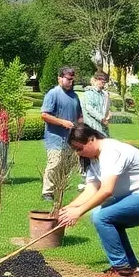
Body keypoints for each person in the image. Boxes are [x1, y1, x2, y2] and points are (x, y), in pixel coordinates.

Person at [57, 123, 139, 277]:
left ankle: (122, 271)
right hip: (137, 196)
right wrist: (69, 208)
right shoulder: (94, 159)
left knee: (101, 217)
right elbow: (92, 189)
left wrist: (79, 212)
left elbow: (106, 190)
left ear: (91, 140)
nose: (78, 153)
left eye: (79, 148)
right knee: (103, 215)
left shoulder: (112, 152)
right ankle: (131, 268)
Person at [40, 67, 83, 202]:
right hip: (55, 138)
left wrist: (81, 127)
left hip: (71, 139)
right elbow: (45, 115)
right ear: (60, 79)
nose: (71, 82)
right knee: (55, 162)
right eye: (68, 79)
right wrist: (62, 122)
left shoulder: (75, 96)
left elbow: (79, 115)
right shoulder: (53, 94)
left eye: (72, 79)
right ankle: (47, 192)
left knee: (67, 164)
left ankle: (59, 187)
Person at [82, 71, 112, 136]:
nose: (104, 83)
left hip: (102, 129)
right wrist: (101, 118)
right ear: (96, 80)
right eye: (102, 81)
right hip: (92, 129)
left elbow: (104, 108)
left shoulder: (103, 94)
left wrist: (108, 114)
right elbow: (89, 108)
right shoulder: (89, 93)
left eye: (105, 81)